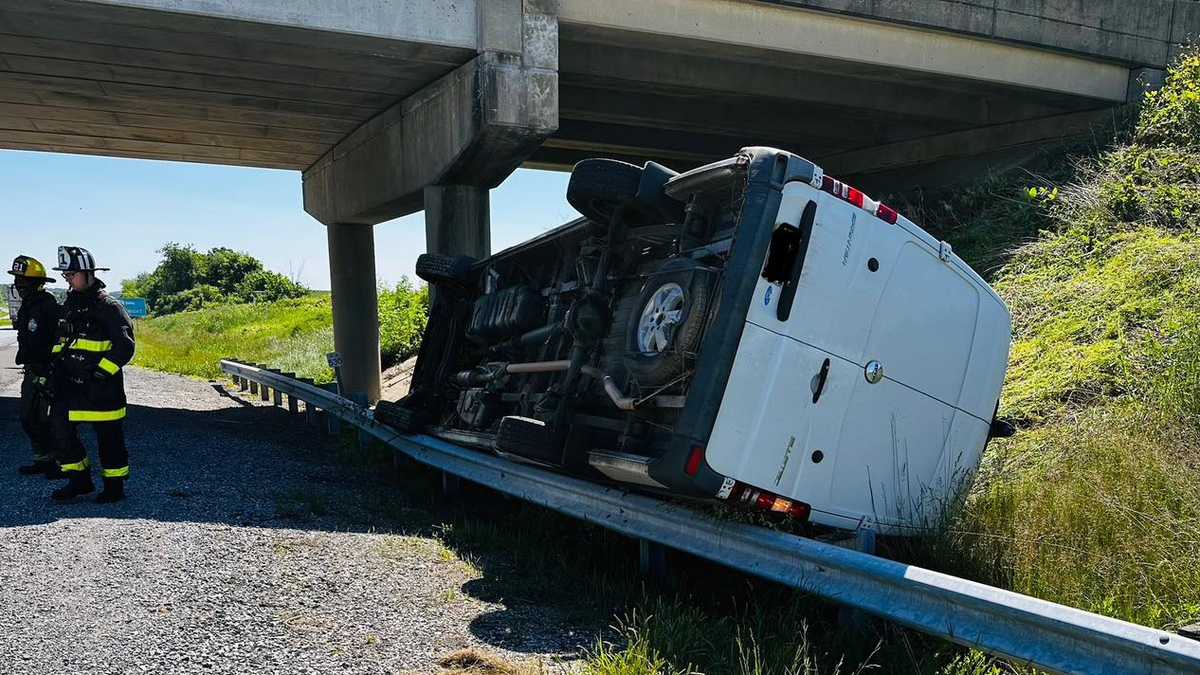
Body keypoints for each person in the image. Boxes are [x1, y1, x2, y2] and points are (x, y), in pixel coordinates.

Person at [48, 246, 135, 503]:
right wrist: (54, 370)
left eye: (72, 274)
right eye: (66, 275)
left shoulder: (108, 307)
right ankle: (79, 481)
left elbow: (125, 347)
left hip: (102, 389)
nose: (68, 279)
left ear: (88, 273)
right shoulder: (70, 305)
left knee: (109, 440)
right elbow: (61, 341)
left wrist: (100, 373)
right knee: (60, 431)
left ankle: (114, 486)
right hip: (70, 387)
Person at [9, 256, 63, 478]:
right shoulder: (27, 307)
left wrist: (50, 369)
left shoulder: (48, 306)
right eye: (17, 282)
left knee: (50, 419)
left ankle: (63, 463)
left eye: (23, 282)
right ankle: (43, 459)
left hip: (49, 371)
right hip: (32, 370)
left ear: (35, 283)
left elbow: (60, 341)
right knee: (27, 417)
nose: (19, 287)